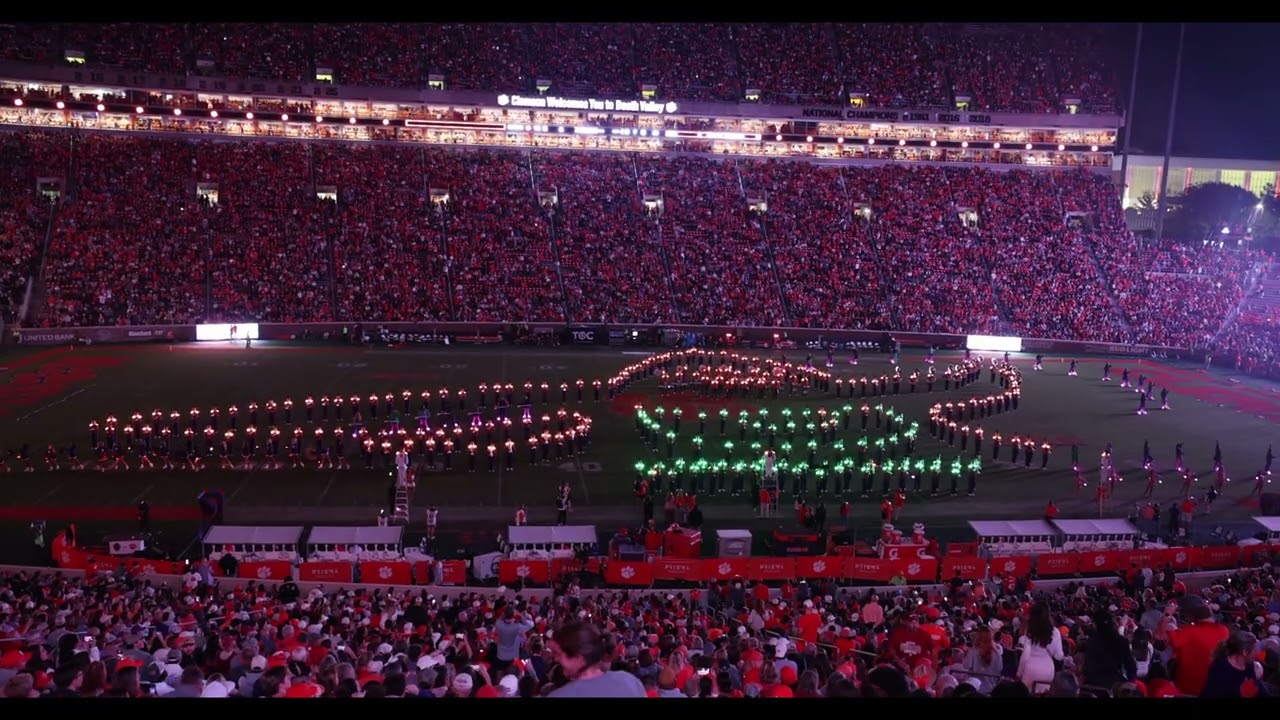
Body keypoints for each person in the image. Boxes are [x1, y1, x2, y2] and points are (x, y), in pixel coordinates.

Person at [546, 621, 646, 697]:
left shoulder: (560, 695)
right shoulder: (630, 681)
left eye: (559, 654)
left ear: (579, 658)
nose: (556, 659)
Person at [1201, 630, 1268, 697]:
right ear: (1245, 652)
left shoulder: (1250, 666)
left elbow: (1258, 689)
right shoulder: (1220, 669)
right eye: (1254, 650)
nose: (1256, 653)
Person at [1016, 601, 1064, 693]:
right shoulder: (1055, 632)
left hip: (1031, 668)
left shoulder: (1030, 630)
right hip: (1048, 669)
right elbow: (1058, 655)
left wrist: (1019, 673)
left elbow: (1025, 654)